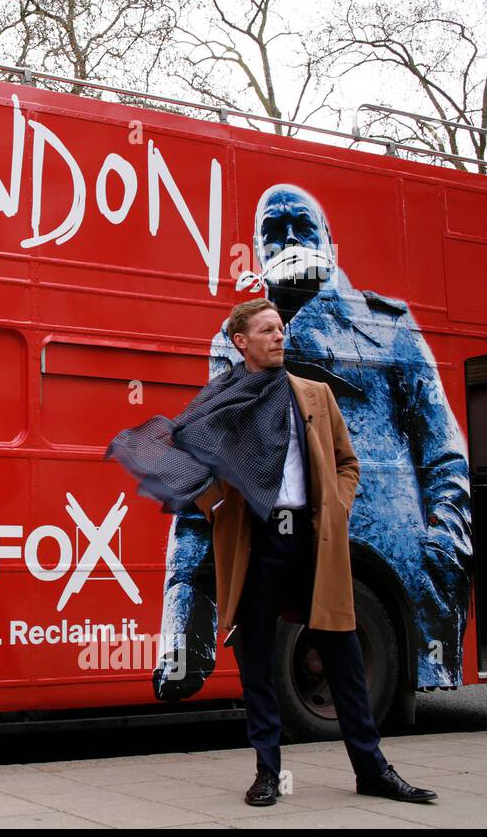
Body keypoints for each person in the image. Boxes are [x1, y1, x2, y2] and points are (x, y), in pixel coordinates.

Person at [108, 297, 437, 805]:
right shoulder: (224, 399)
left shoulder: (315, 395)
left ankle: (372, 769)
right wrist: (217, 506)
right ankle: (267, 773)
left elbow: (348, 465)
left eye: (280, 328)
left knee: (343, 657)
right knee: (256, 659)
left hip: (311, 542)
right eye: (267, 330)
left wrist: (335, 508)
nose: (280, 336)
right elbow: (173, 449)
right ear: (242, 342)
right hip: (257, 542)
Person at [156, 184, 472, 702]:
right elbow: (205, 483)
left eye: (301, 226)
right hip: (273, 546)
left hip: (382, 564)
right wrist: (183, 631)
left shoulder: (390, 329)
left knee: (347, 676)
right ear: (258, 252)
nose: (287, 240)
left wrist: (441, 551)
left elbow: (443, 456)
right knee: (263, 673)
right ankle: (271, 773)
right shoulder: (233, 343)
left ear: (328, 241)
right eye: (272, 232)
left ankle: (372, 767)